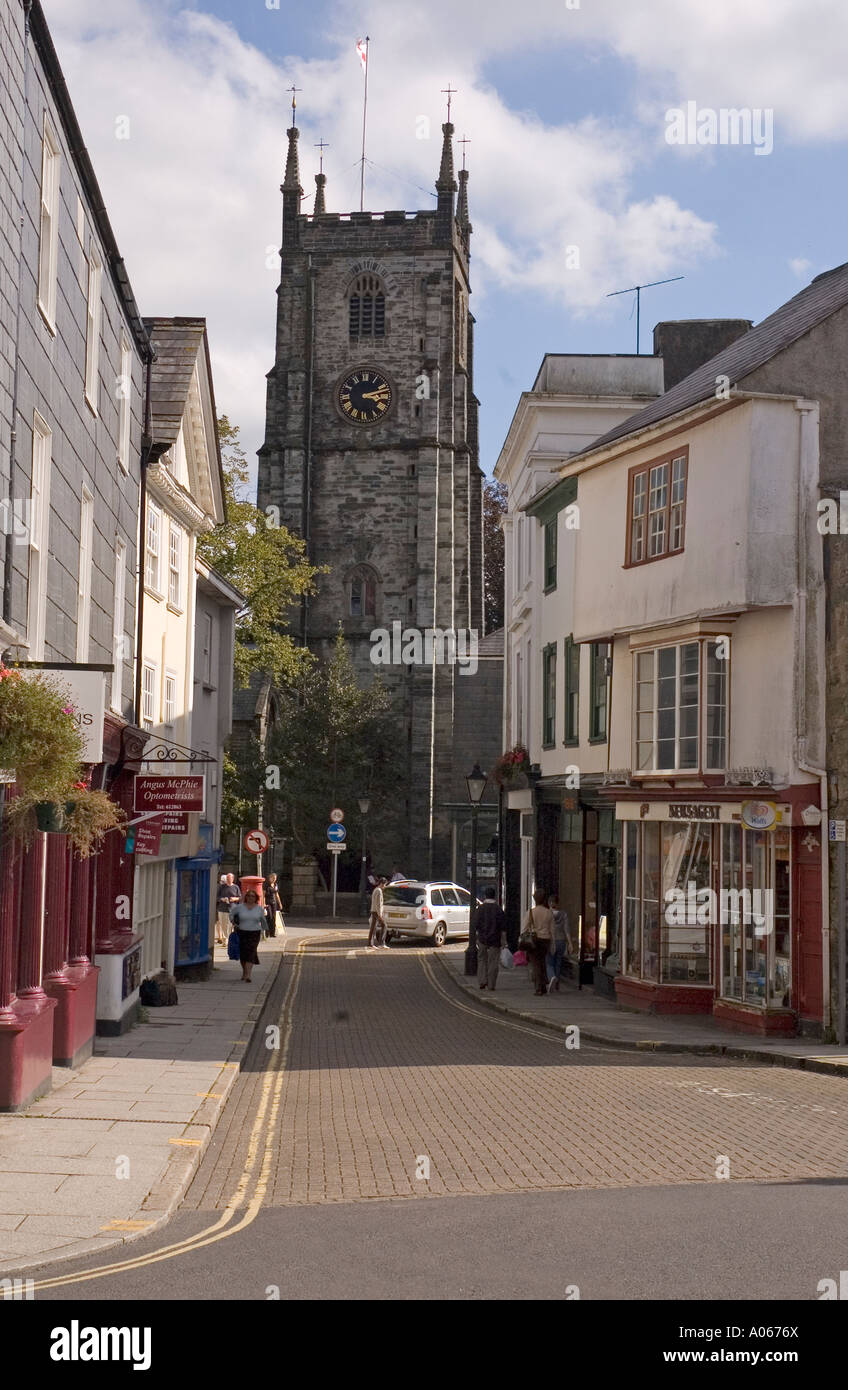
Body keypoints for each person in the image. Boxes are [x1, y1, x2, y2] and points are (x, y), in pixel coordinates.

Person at [521, 888, 555, 995]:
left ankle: (539, 988)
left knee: (536, 964)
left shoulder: (531, 912)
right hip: (545, 940)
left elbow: (524, 929)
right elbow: (552, 930)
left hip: (534, 940)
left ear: (535, 899)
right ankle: (544, 985)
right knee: (542, 962)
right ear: (544, 900)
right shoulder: (549, 913)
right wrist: (552, 944)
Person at [475, 887, 507, 991]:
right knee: (493, 962)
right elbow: (503, 927)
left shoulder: (480, 908)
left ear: (485, 896)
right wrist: (504, 941)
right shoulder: (498, 910)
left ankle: (482, 981)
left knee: (481, 959)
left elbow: (475, 924)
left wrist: (477, 936)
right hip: (495, 939)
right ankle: (491, 984)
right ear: (495, 896)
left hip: (482, 938)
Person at [230, 889, 265, 982]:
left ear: (256, 898)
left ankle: (248, 975)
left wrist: (265, 932)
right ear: (246, 897)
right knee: (243, 953)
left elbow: (263, 921)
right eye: (249, 896)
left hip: (255, 933)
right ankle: (244, 972)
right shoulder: (240, 907)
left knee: (251, 952)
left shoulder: (259, 908)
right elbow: (231, 914)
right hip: (242, 932)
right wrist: (233, 922)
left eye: (253, 896)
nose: (250, 898)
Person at [547, 894, 570, 993]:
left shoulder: (547, 914)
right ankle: (557, 984)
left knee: (549, 962)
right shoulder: (564, 914)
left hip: (551, 941)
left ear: (550, 903)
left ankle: (552, 977)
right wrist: (570, 943)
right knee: (558, 963)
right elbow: (567, 930)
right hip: (561, 941)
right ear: (557, 903)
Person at [216, 873, 240, 946]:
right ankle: (225, 938)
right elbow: (217, 897)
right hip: (222, 909)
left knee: (229, 925)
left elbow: (240, 897)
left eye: (229, 878)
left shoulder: (236, 887)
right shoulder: (222, 887)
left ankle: (227, 940)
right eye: (227, 878)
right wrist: (222, 899)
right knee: (223, 924)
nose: (228, 880)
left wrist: (234, 898)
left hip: (232, 909)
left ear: (232, 879)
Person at [368, 876, 388, 948]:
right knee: (384, 925)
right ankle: (381, 943)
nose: (385, 886)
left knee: (373, 927)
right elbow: (378, 904)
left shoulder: (375, 889)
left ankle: (371, 943)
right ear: (382, 883)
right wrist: (380, 914)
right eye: (385, 884)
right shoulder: (379, 891)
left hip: (374, 911)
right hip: (376, 912)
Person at [264, 872, 284, 937]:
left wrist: (280, 903)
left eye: (275, 878)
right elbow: (263, 895)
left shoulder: (275, 885)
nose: (274, 879)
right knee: (269, 917)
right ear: (270, 878)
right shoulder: (266, 885)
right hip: (268, 902)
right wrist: (263, 903)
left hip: (274, 902)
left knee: (274, 917)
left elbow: (277, 894)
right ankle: (267, 932)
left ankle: (272, 933)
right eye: (273, 878)